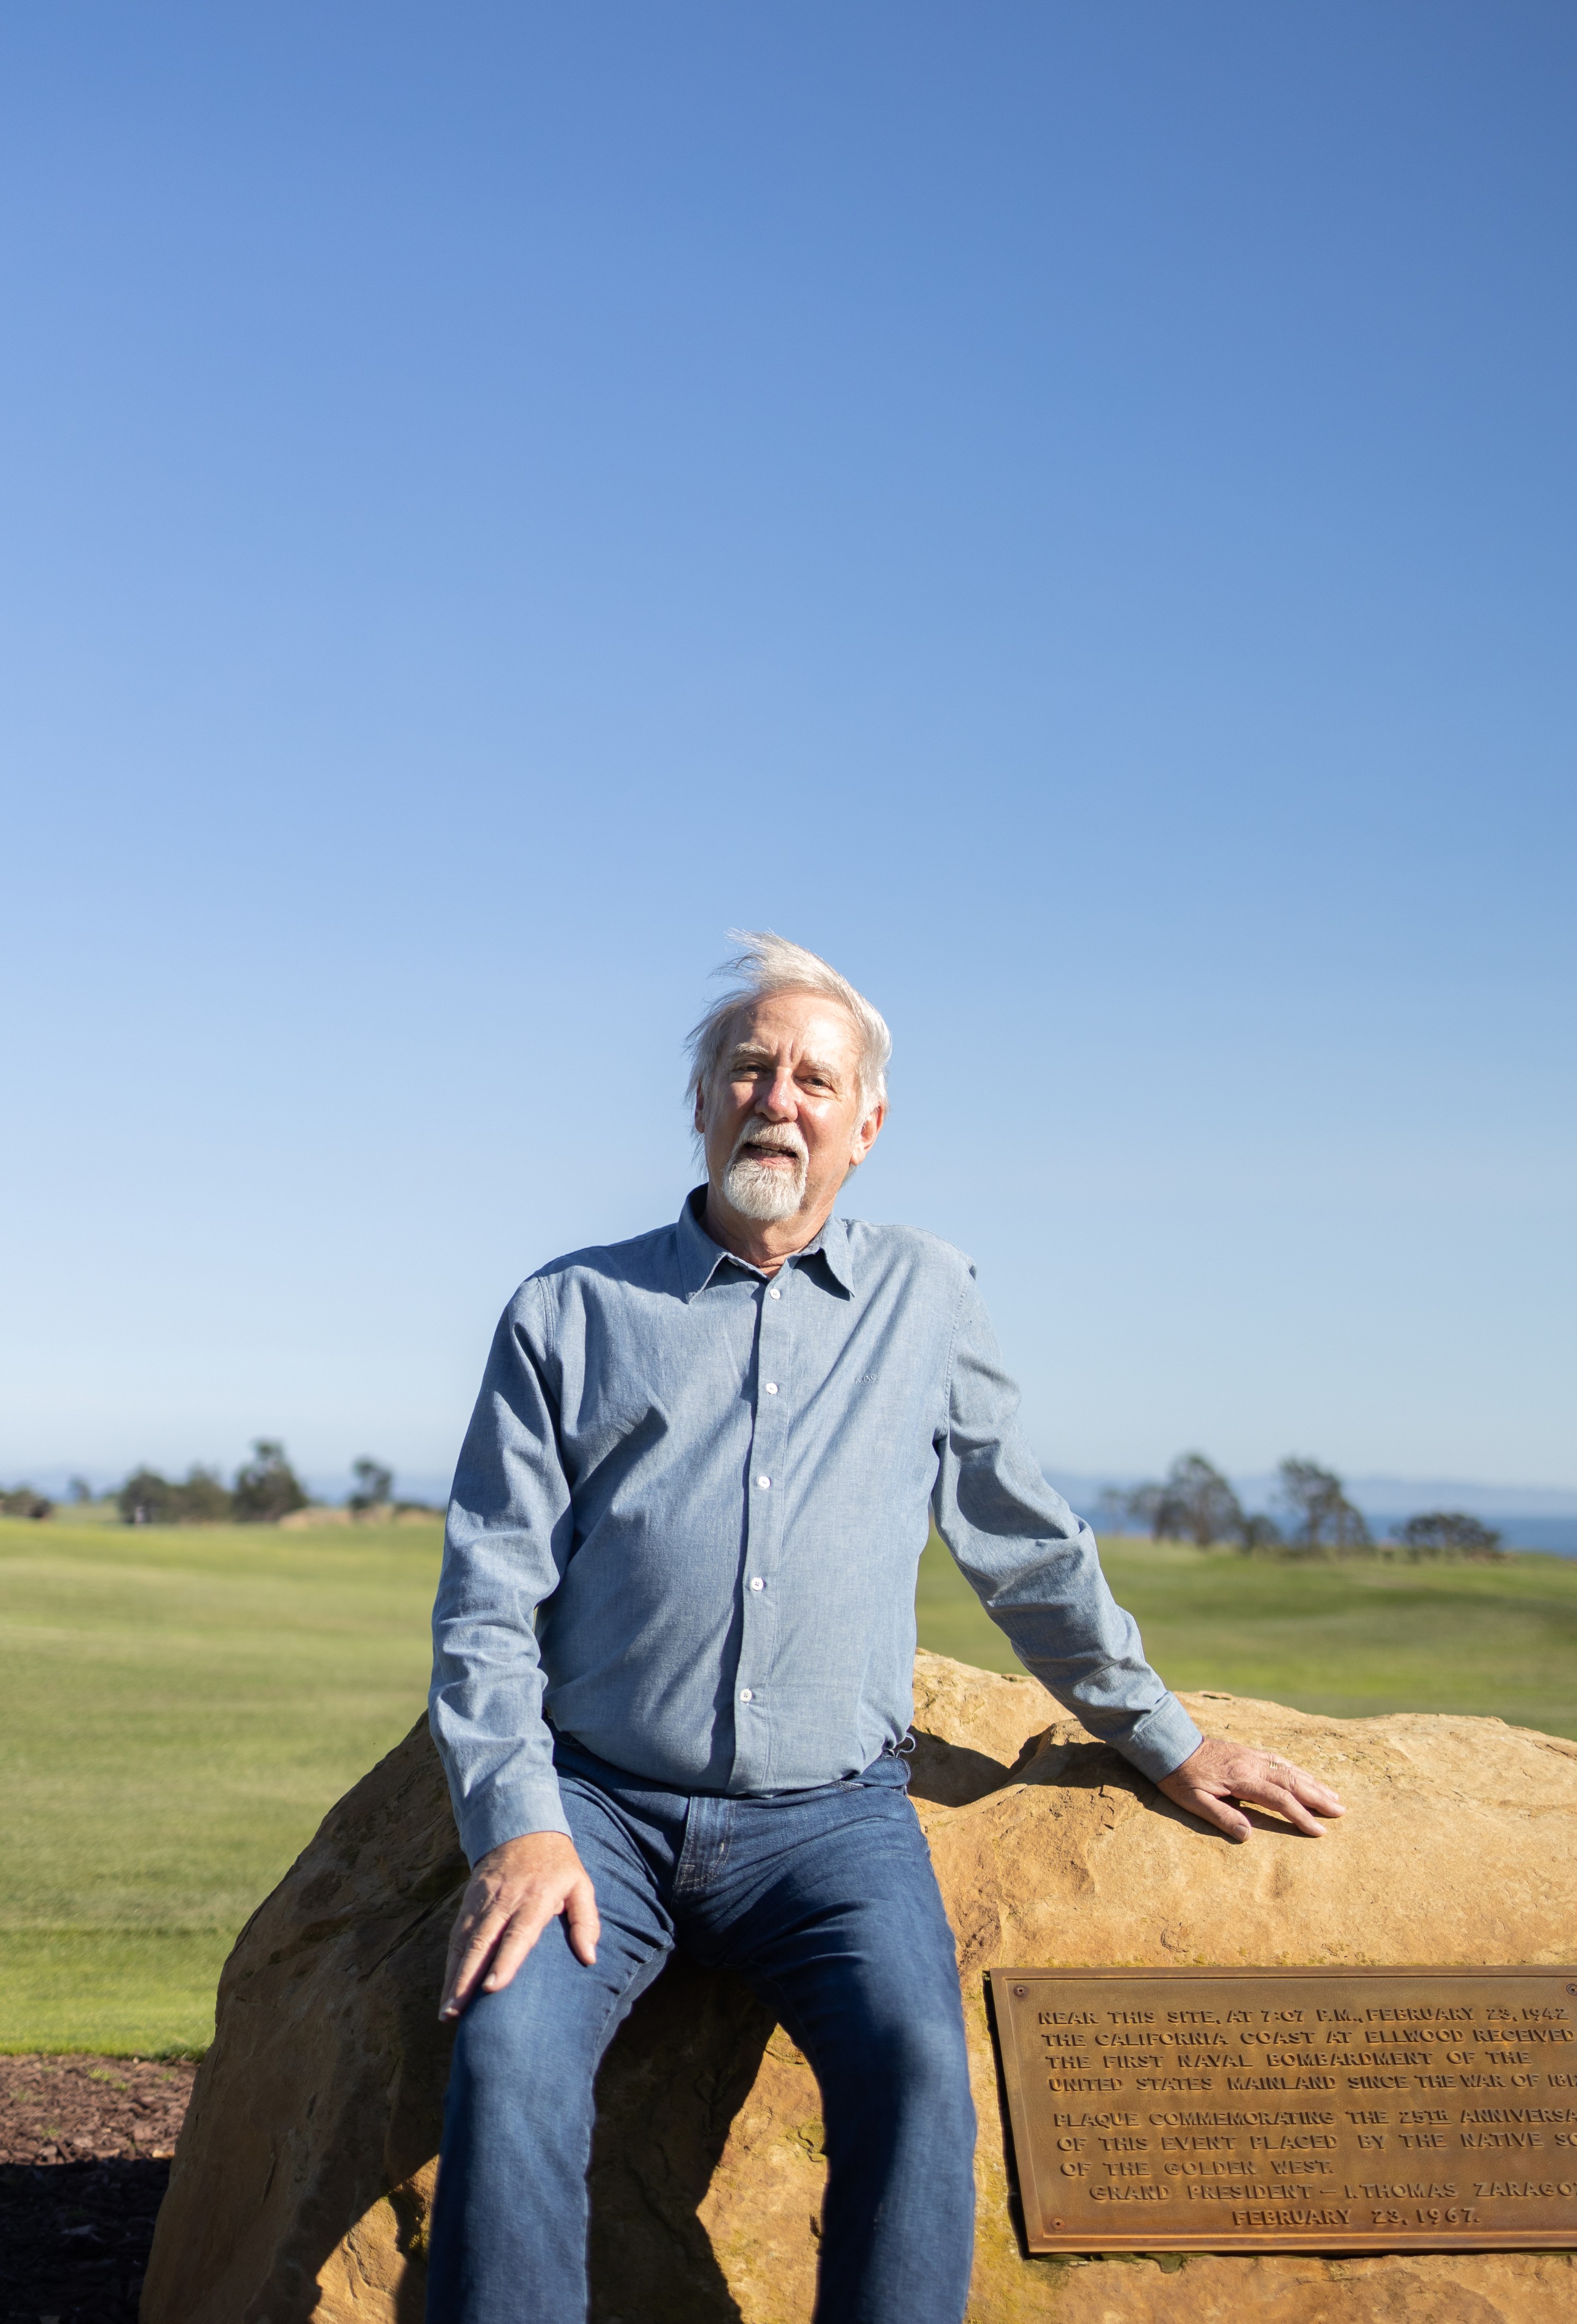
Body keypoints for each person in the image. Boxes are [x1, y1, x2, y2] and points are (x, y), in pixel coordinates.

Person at [425, 933, 1342, 2324]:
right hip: (601, 1806)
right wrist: (520, 1825)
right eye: (750, 1068)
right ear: (701, 1100)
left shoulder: (929, 1298)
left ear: (867, 1124)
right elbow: (488, 1600)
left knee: (918, 2069)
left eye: (816, 1078)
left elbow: (1025, 1545)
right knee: (506, 2055)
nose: (777, 1098)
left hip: (833, 1825)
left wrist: (1167, 1739)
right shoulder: (569, 1310)